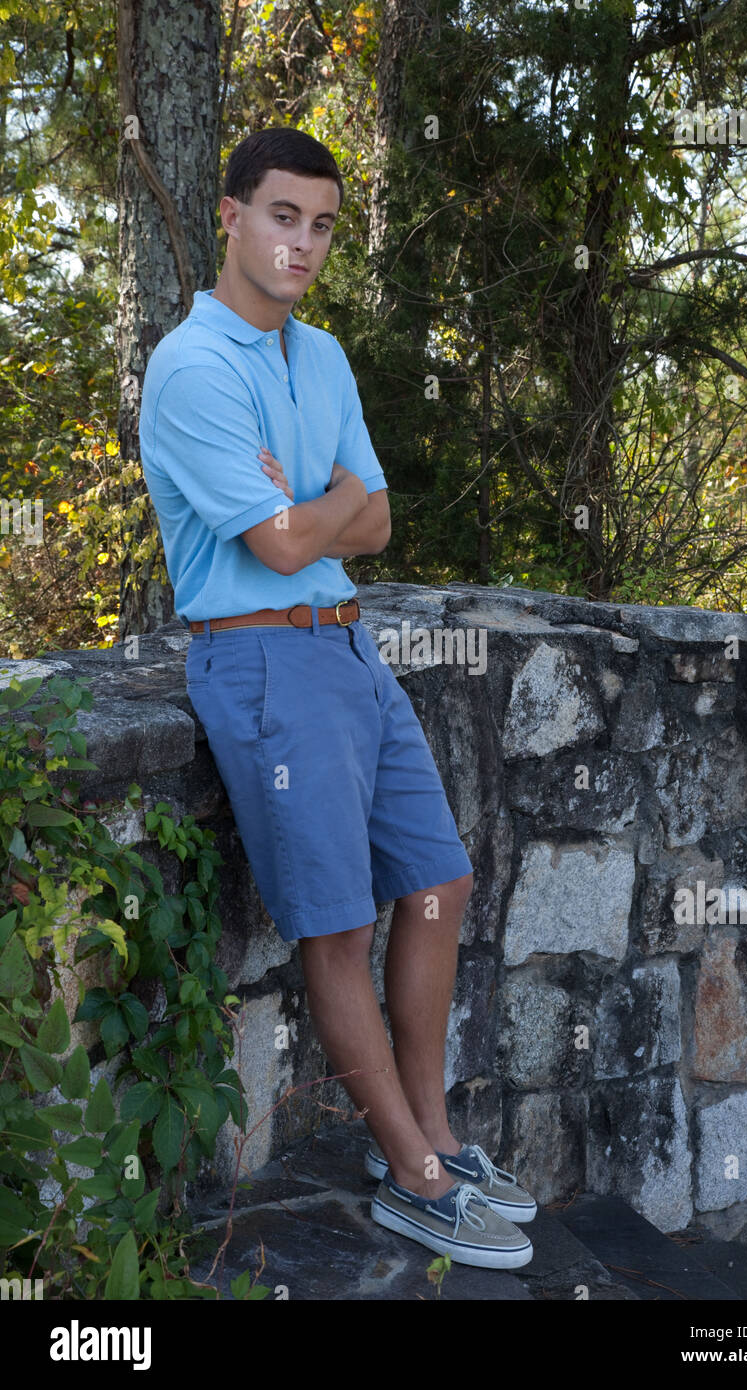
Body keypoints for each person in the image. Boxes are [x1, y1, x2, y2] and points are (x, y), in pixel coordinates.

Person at [139, 126, 536, 1270]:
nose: (300, 243)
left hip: (349, 647)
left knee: (437, 880)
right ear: (230, 215)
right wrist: (324, 506)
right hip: (259, 659)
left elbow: (377, 520)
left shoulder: (321, 360)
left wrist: (318, 507)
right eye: (280, 216)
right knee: (337, 920)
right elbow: (274, 544)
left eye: (319, 224)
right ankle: (412, 1176)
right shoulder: (193, 366)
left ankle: (433, 1142)